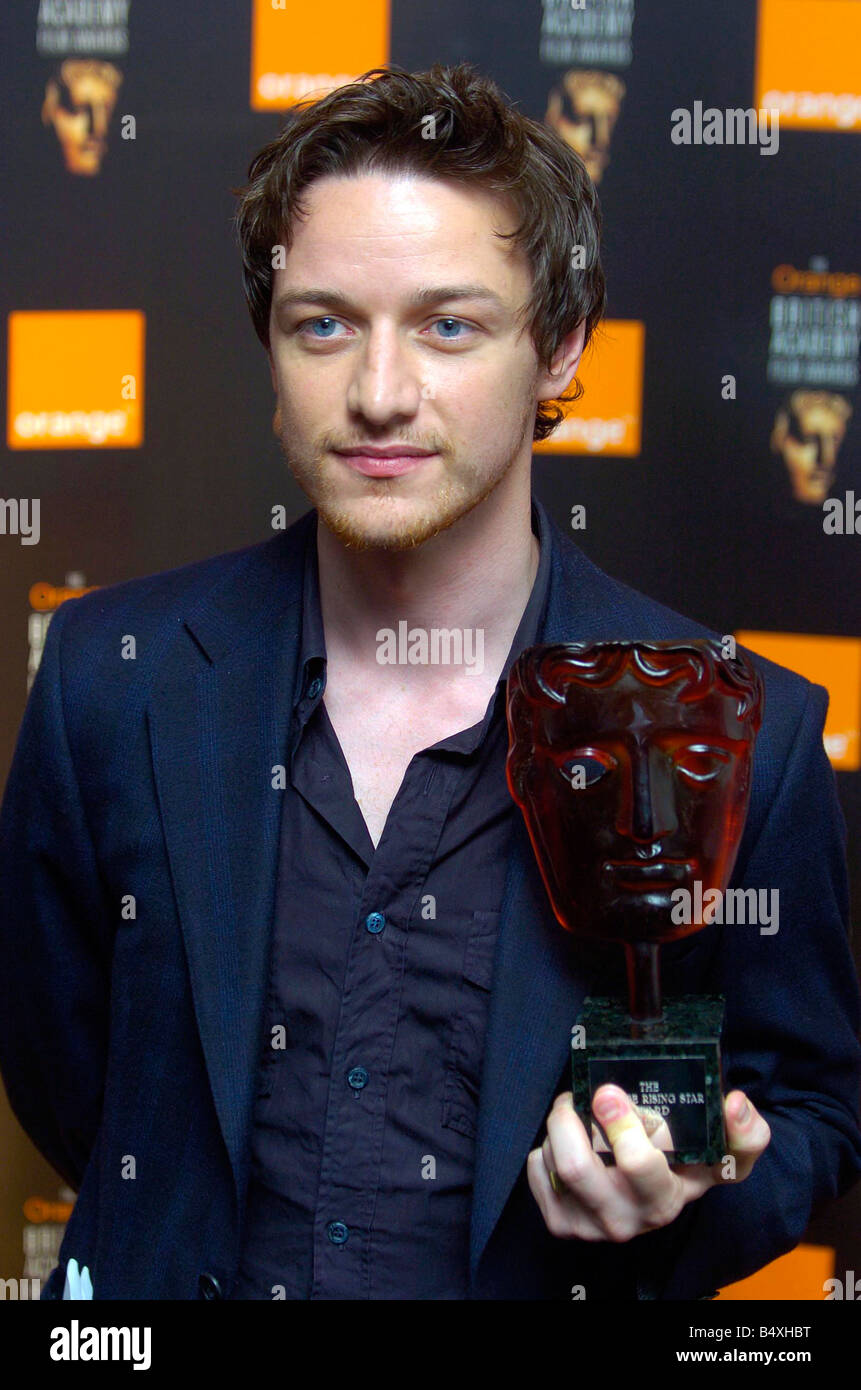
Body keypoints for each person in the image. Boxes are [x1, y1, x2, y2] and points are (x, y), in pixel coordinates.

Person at [1, 62, 859, 1302]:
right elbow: (68, 1074)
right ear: (272, 342)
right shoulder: (107, 681)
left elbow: (814, 1110)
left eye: (450, 325)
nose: (380, 393)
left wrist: (672, 1199)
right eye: (325, 324)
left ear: (556, 345)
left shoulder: (745, 728)